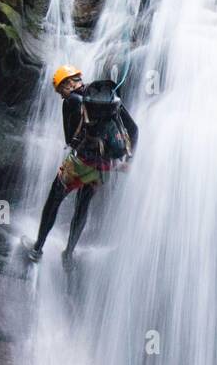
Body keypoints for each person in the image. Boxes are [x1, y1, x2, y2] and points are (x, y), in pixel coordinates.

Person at [27, 65, 139, 266]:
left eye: (60, 90)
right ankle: (68, 255)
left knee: (54, 199)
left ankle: (37, 249)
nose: (61, 95)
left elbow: (70, 139)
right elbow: (134, 129)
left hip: (81, 163)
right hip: (104, 168)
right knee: (83, 206)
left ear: (66, 85)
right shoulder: (110, 99)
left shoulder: (71, 101)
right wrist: (128, 161)